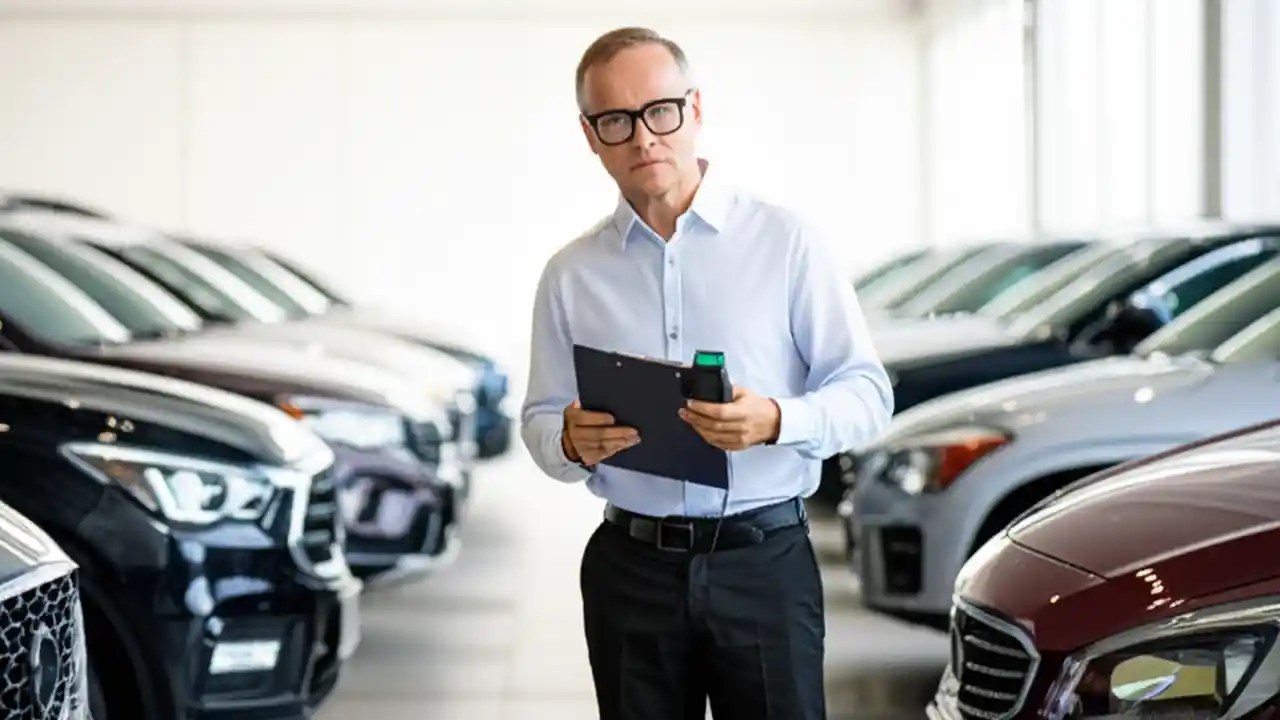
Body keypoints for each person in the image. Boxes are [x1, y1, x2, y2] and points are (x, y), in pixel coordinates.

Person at [520, 26, 894, 720]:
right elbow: (540, 418)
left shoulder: (786, 242)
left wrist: (780, 420)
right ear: (590, 136)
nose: (643, 138)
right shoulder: (571, 275)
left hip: (764, 563)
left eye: (660, 111)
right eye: (616, 121)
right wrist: (569, 441)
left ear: (695, 110)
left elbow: (869, 395)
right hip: (629, 571)